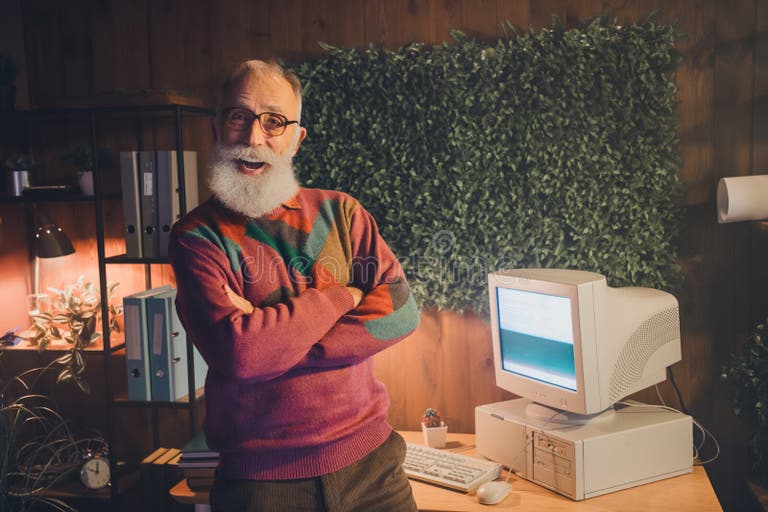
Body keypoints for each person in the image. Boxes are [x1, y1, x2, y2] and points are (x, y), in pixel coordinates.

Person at [168, 59, 421, 512]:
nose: (253, 137)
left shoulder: (342, 214)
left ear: (296, 139)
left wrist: (274, 343)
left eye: (274, 121)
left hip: (373, 469)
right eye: (238, 117)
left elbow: (401, 314)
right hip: (260, 488)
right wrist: (344, 296)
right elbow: (241, 356)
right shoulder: (195, 237)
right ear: (216, 127)